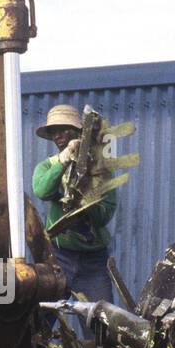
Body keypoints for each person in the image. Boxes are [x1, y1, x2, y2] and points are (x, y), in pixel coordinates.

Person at [32, 104, 117, 304]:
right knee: (42, 319)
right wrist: (63, 162)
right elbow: (42, 190)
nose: (58, 135)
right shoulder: (48, 165)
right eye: (53, 131)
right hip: (58, 258)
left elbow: (105, 215)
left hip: (93, 262)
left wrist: (86, 198)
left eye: (63, 129)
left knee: (100, 324)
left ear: (79, 131)